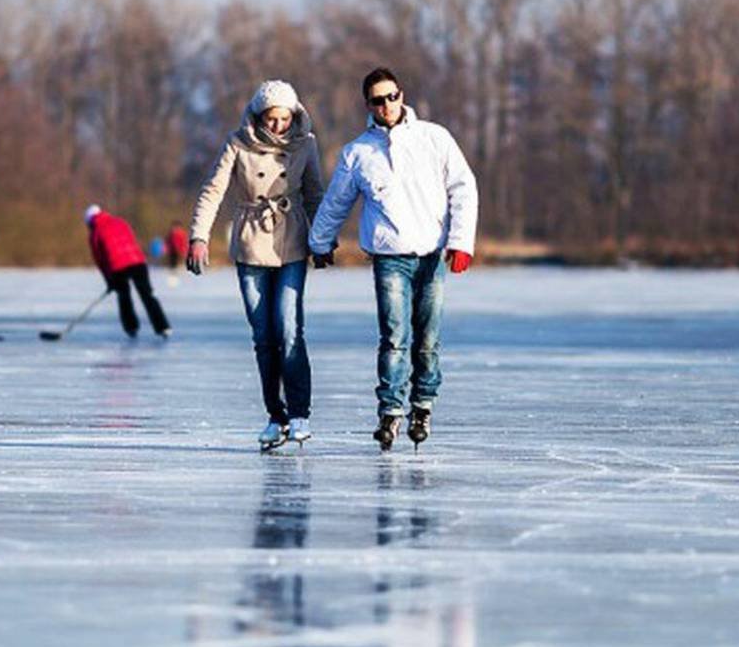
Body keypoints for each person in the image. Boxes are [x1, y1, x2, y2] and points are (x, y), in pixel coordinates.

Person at [308, 67, 478, 452]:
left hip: (432, 253)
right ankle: (389, 412)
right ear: (368, 105)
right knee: (395, 338)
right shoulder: (358, 152)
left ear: (402, 96)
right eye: (378, 100)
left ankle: (422, 404)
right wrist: (320, 242)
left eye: (392, 96)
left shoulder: (434, 138)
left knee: (428, 339)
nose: (387, 105)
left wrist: (461, 240)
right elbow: (336, 202)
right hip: (389, 257)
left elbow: (463, 187)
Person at [186, 80, 324, 451]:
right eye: (271, 118)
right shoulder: (237, 143)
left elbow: (314, 193)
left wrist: (323, 240)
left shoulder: (305, 144)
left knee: (289, 329)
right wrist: (199, 237)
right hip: (251, 244)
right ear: (258, 115)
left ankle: (299, 414)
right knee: (264, 337)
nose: (278, 125)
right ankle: (275, 416)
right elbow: (212, 190)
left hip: (292, 241)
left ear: (293, 115)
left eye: (284, 118)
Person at [84, 204, 172, 338]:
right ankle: (163, 327)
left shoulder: (95, 233)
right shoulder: (120, 221)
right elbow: (131, 240)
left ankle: (131, 328)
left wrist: (109, 281)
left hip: (117, 266)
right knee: (147, 295)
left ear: (89, 220)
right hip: (138, 261)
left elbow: (100, 261)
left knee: (124, 297)